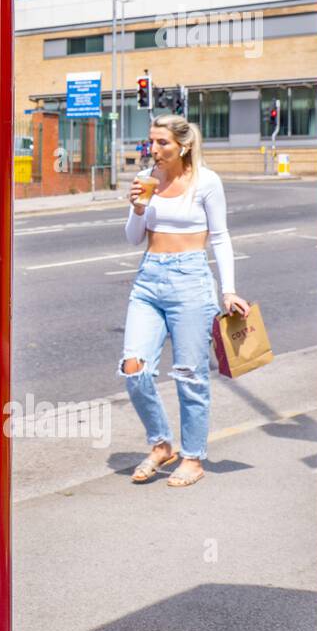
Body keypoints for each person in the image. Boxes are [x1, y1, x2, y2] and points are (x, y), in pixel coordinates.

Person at [120, 114, 250, 488]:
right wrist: (139, 209)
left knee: (190, 376)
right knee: (134, 368)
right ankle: (161, 444)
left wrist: (228, 289)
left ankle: (193, 457)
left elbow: (221, 237)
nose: (154, 150)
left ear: (183, 145)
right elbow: (132, 238)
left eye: (163, 143)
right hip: (149, 279)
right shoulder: (147, 179)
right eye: (152, 142)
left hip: (191, 280)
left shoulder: (206, 182)